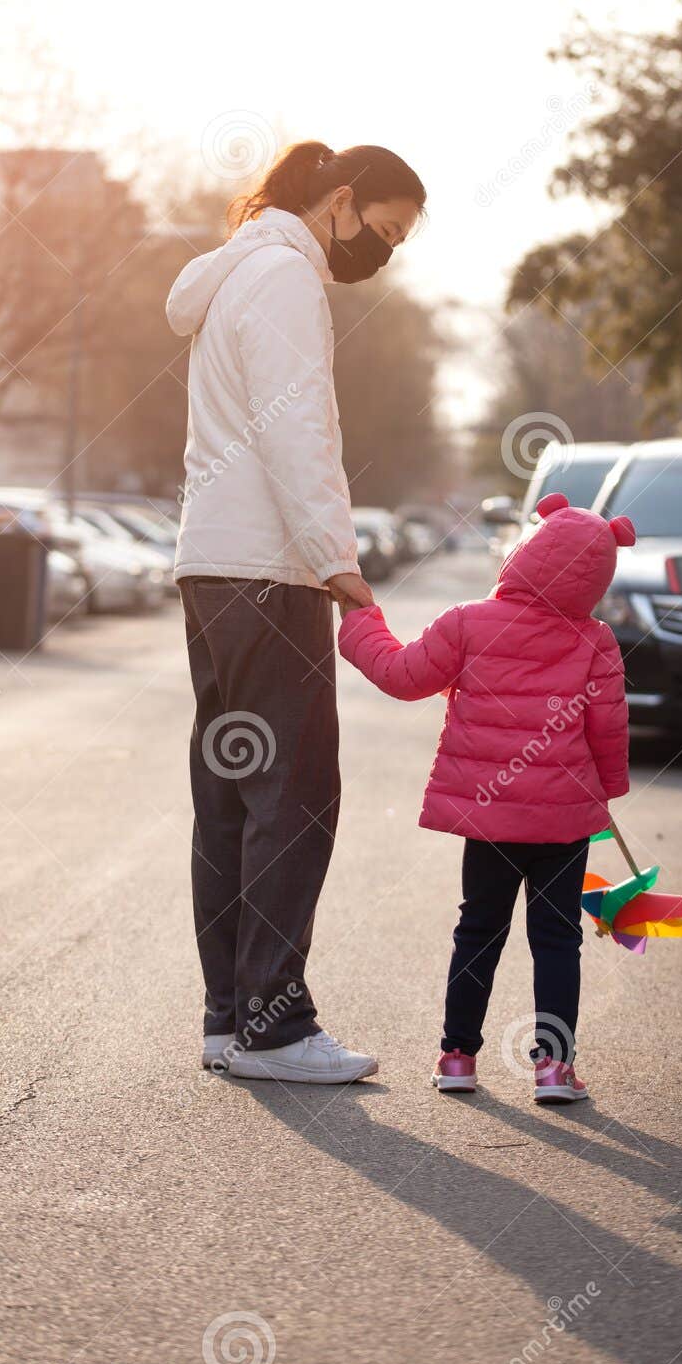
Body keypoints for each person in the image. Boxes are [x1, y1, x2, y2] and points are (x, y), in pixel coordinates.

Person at [165, 141, 426, 1084]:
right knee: (296, 794)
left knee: (233, 796)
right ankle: (274, 1028)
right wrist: (336, 561)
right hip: (270, 572)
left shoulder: (236, 274)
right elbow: (296, 429)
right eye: (384, 231)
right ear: (341, 202)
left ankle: (230, 1019)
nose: (383, 254)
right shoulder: (284, 278)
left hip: (213, 569)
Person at [337, 494, 634, 1103]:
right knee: (556, 941)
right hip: (563, 824)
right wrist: (607, 789)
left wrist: (361, 621)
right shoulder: (596, 639)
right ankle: (553, 1069)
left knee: (478, 931)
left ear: (527, 553)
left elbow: (402, 675)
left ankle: (457, 1057)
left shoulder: (470, 622)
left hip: (491, 818)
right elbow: (608, 726)